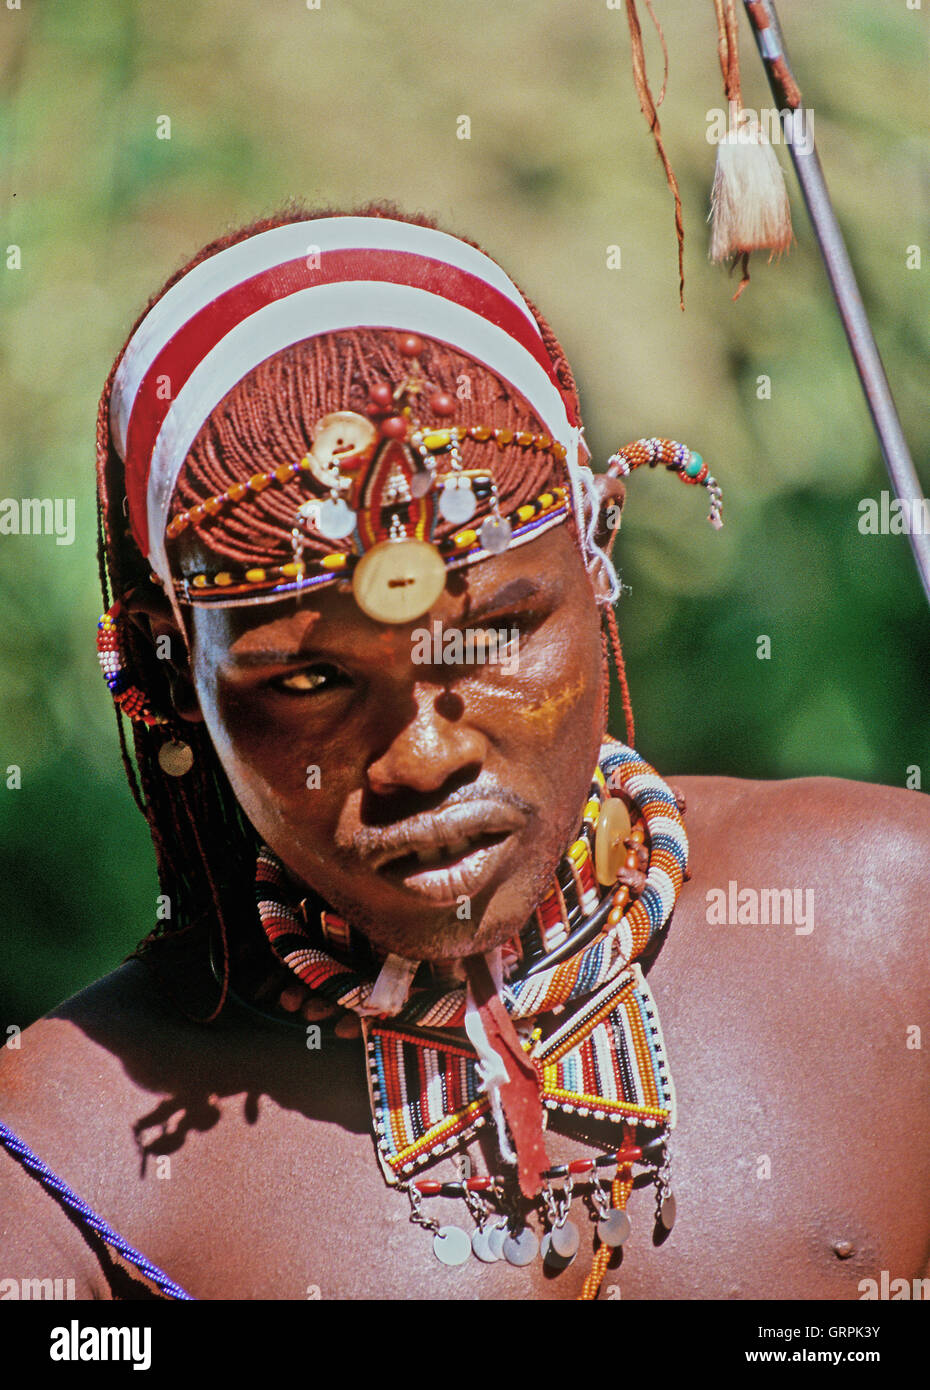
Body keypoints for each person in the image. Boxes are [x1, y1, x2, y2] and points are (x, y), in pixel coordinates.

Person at [0, 205, 927, 1302]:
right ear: (170, 675)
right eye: (308, 680)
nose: (423, 756)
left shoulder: (895, 926)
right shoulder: (64, 1156)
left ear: (598, 549)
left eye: (490, 637)